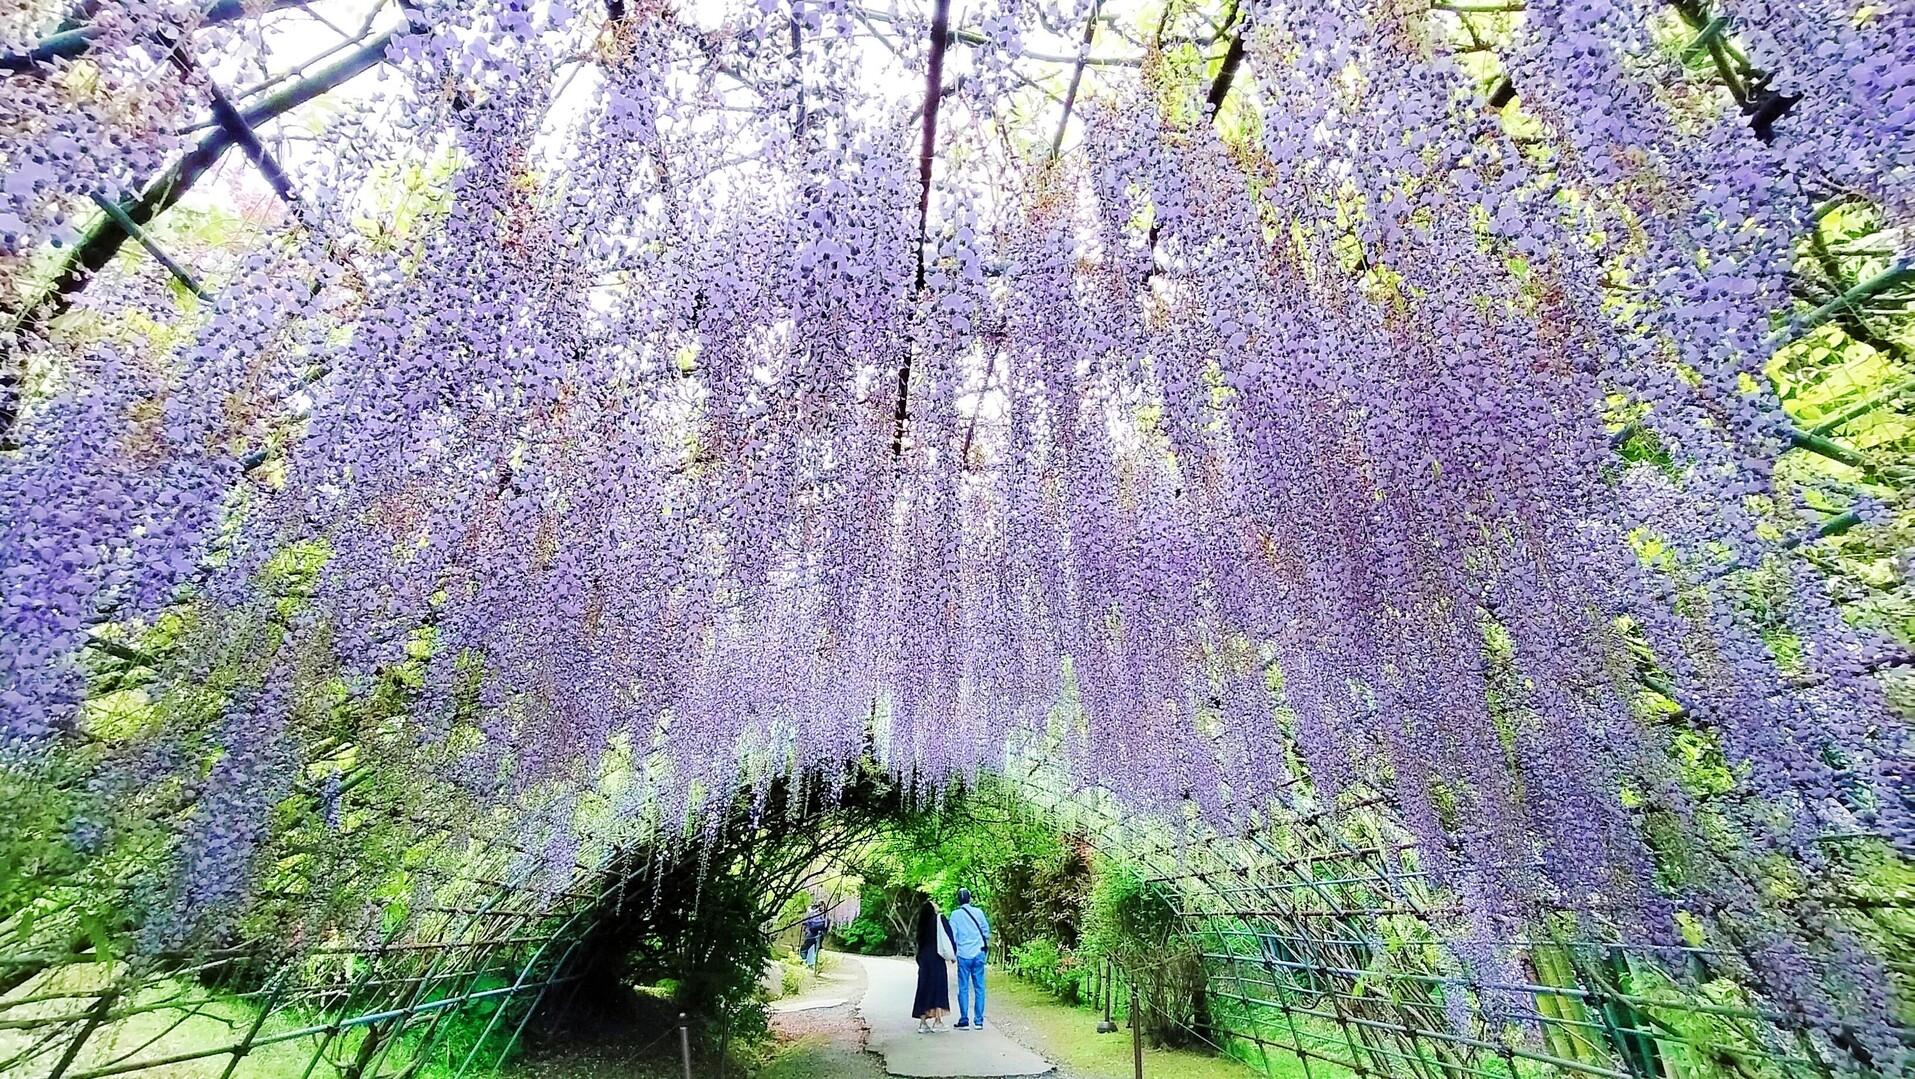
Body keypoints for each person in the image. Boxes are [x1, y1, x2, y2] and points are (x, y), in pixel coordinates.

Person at [948, 888, 991, 1029]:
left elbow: (952, 935)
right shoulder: (978, 912)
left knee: (963, 987)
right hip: (978, 953)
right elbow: (986, 931)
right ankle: (978, 1021)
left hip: (963, 954)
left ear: (958, 900)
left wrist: (953, 952)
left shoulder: (955, 915)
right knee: (979, 987)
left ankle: (964, 1019)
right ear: (970, 898)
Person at [911, 900, 953, 1033]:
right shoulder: (939, 919)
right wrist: (952, 954)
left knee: (924, 989)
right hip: (937, 958)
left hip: (924, 959)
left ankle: (923, 1023)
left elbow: (919, 942)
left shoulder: (922, 924)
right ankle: (938, 1021)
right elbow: (949, 936)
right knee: (938, 988)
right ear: (932, 908)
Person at [800, 903, 830, 969]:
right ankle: (814, 964)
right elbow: (826, 926)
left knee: (804, 949)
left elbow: (805, 922)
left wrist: (807, 928)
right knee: (816, 950)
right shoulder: (825, 915)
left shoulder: (813, 913)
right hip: (819, 934)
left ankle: (806, 963)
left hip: (812, 934)